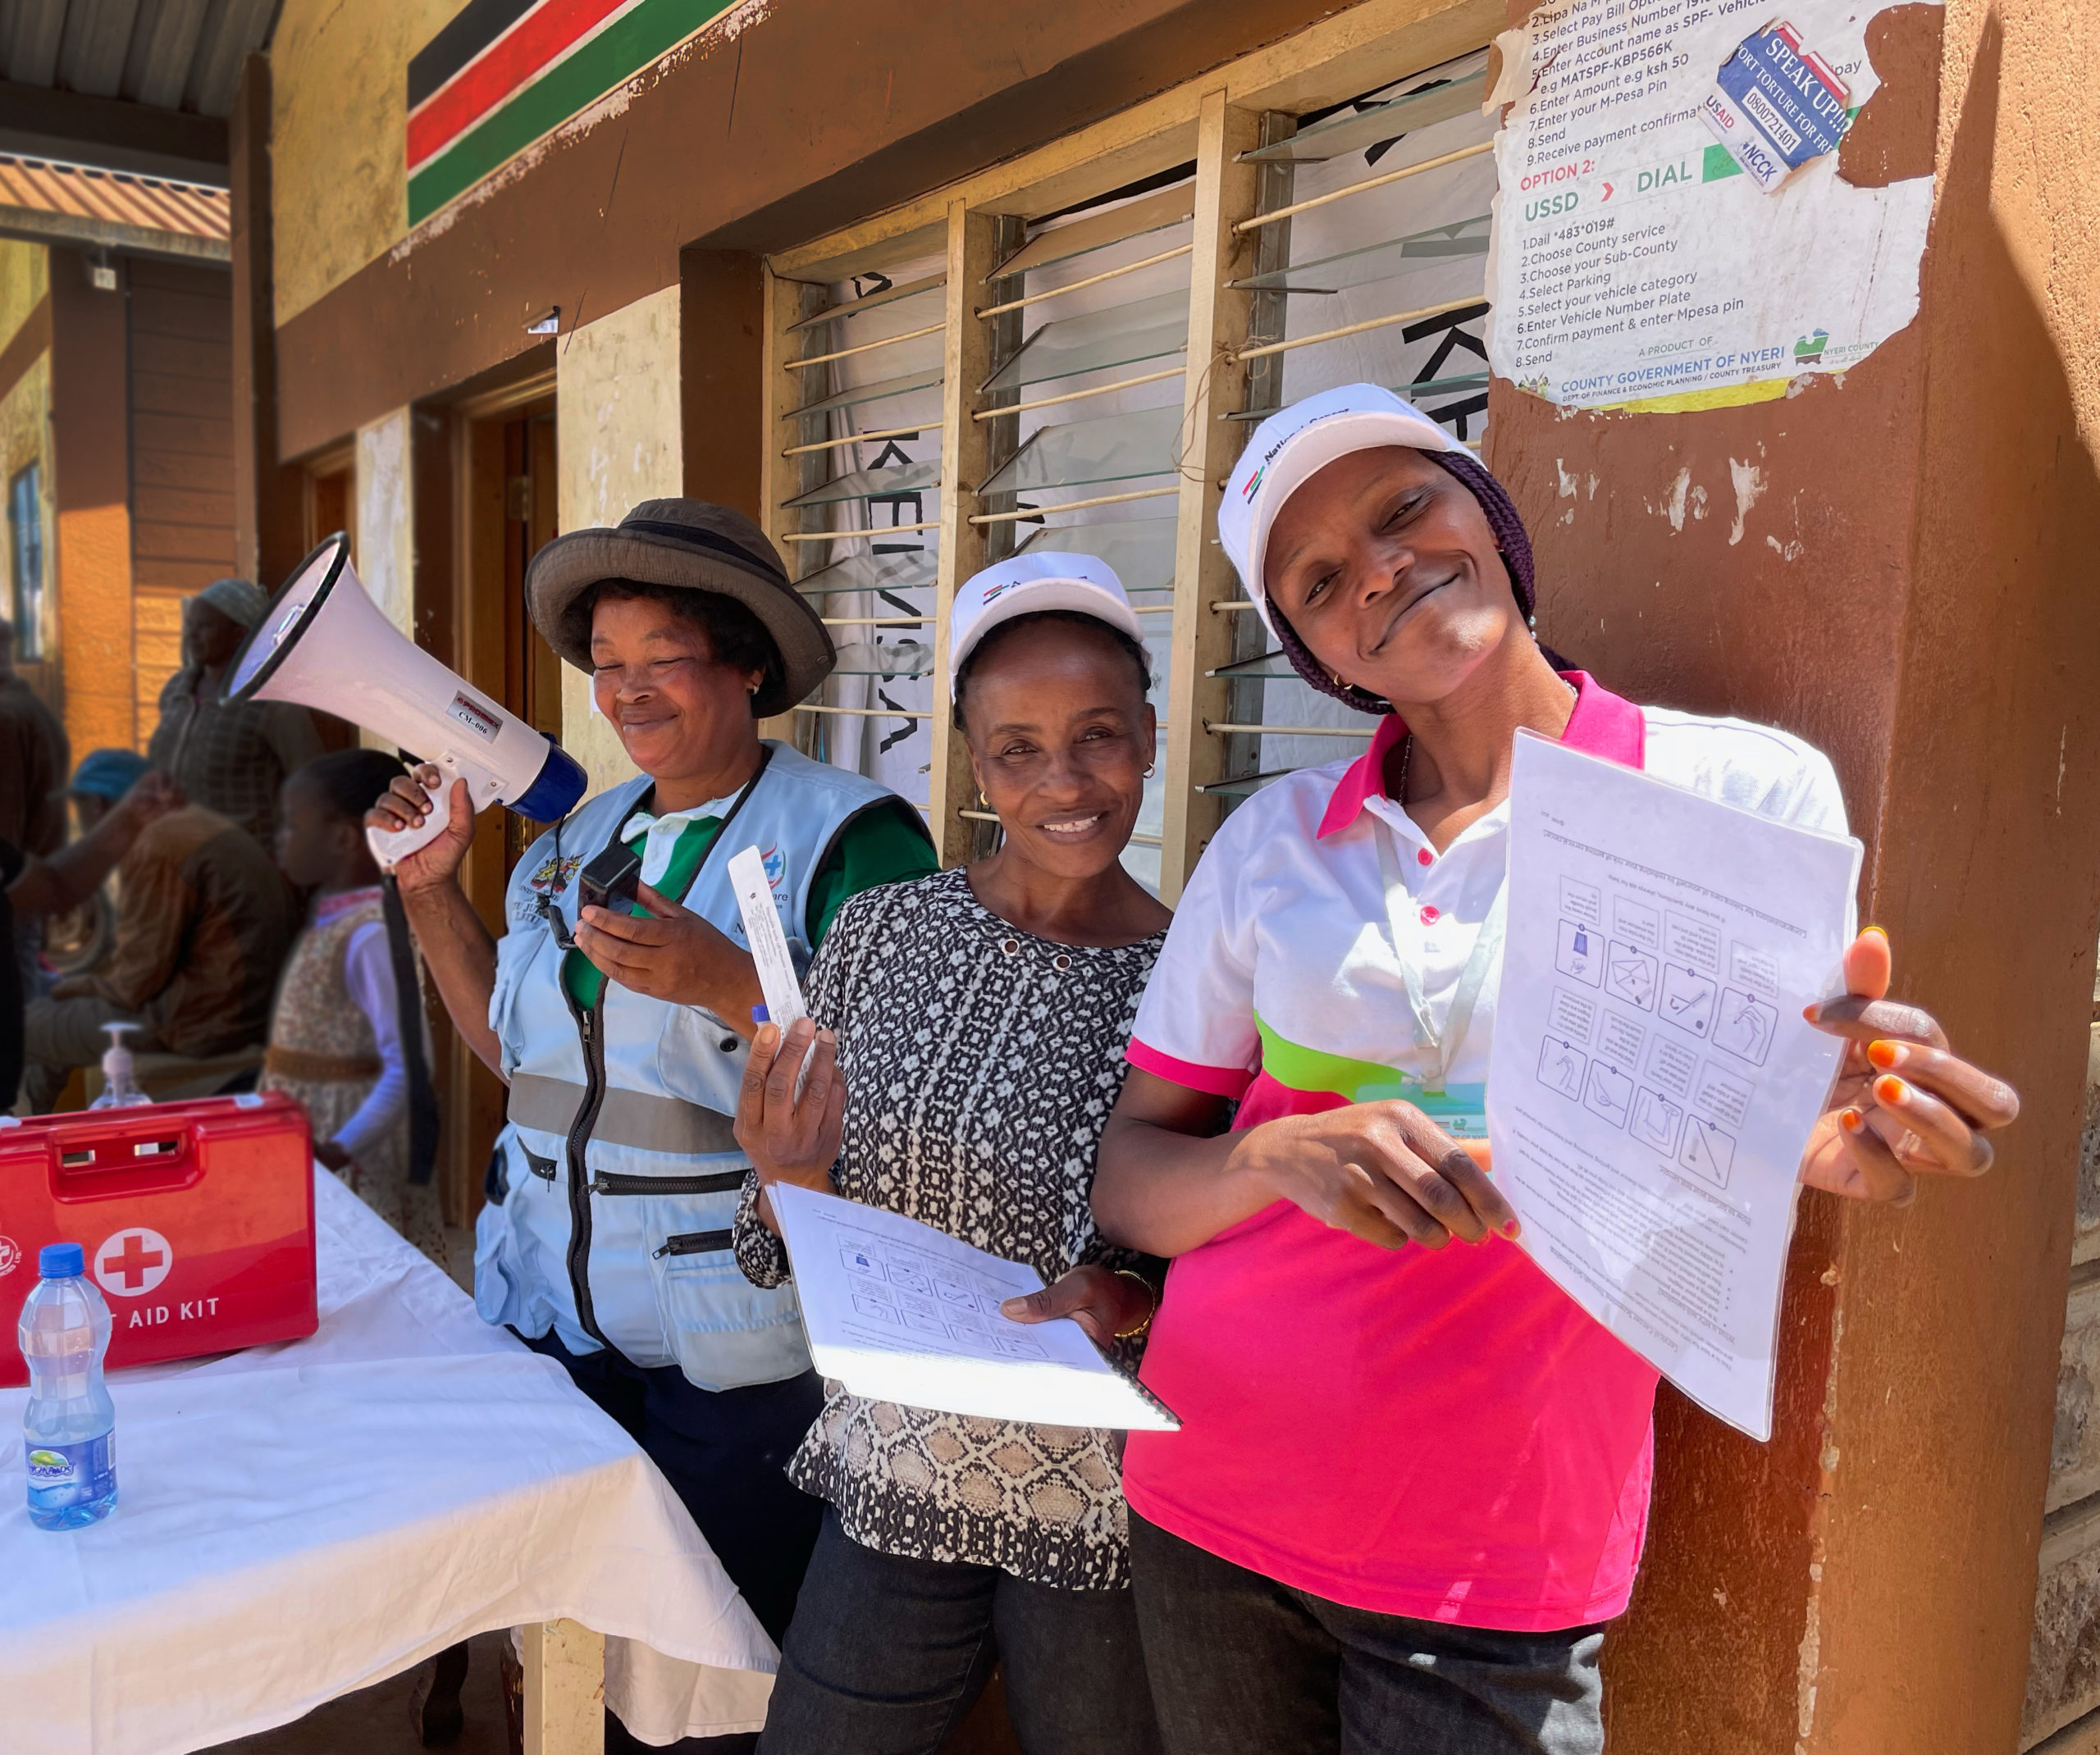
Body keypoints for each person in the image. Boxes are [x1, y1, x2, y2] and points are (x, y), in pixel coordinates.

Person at [1087, 385, 2023, 1755]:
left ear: (1493, 519)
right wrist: (1271, 1156)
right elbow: (1130, 1178)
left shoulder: (1735, 798)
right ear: (1317, 656)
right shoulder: (1272, 844)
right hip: (1210, 1497)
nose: (1380, 570)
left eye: (1406, 507)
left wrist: (1801, 1139)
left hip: (1497, 1548)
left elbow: (1779, 1114)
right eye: (1321, 581)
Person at [367, 499, 938, 1737]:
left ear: (748, 664)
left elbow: (904, 1094)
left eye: (663, 658)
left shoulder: (854, 837)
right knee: (572, 1665)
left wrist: (728, 984)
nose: (627, 691)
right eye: (607, 662)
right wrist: (428, 895)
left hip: (733, 1355)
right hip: (550, 1323)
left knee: (715, 1677)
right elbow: (521, 1061)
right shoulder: (576, 839)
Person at [731, 554, 1170, 1755]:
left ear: (1149, 736)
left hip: (1096, 1504)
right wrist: (786, 1181)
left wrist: (1127, 1299)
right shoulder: (883, 932)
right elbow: (772, 1245)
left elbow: (1199, 1254)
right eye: (1018, 748)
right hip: (896, 1470)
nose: (1064, 781)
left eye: (1097, 736)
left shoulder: (1192, 980)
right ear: (976, 766)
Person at [20, 750, 294, 1111]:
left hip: (201, 1026)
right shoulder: (198, 828)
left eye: (81, 808)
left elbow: (135, 982)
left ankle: (20, 1126)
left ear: (100, 806)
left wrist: (76, 986)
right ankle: (28, 1120)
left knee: (22, 1025)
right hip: (236, 1011)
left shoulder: (159, 842)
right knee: (60, 1017)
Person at [263, 749, 445, 1265]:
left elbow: (408, 1068)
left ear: (343, 839)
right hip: (307, 1136)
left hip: (349, 1152)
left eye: (294, 826)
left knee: (359, 1273)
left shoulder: (369, 936)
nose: (280, 839)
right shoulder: (333, 923)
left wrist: (340, 1148)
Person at [2, 768, 182, 1112]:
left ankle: (26, 1121)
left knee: (33, 1028)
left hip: (157, 1014)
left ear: (100, 806)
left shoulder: (146, 866)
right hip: (147, 1004)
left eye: (81, 803)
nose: (79, 815)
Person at [146, 577, 326, 846]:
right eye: (190, 625)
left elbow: (313, 785)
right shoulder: (176, 692)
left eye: (205, 627)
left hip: (245, 861)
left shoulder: (271, 701)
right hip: (175, 857)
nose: (191, 635)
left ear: (239, 634)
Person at [0, 614, 69, 858]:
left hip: (23, 877)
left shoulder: (6, 719)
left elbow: (5, 834)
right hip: (44, 871)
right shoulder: (34, 710)